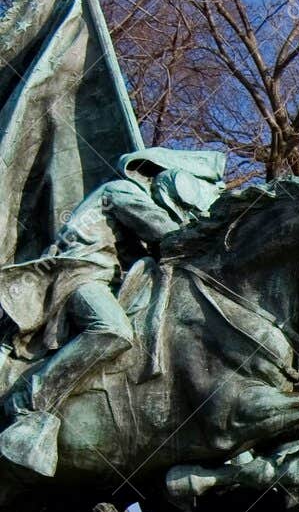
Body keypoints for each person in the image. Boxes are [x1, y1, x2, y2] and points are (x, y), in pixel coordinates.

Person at [0, 147, 228, 476]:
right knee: (112, 329)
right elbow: (165, 232)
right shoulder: (121, 191)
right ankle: (29, 404)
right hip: (78, 272)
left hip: (106, 279)